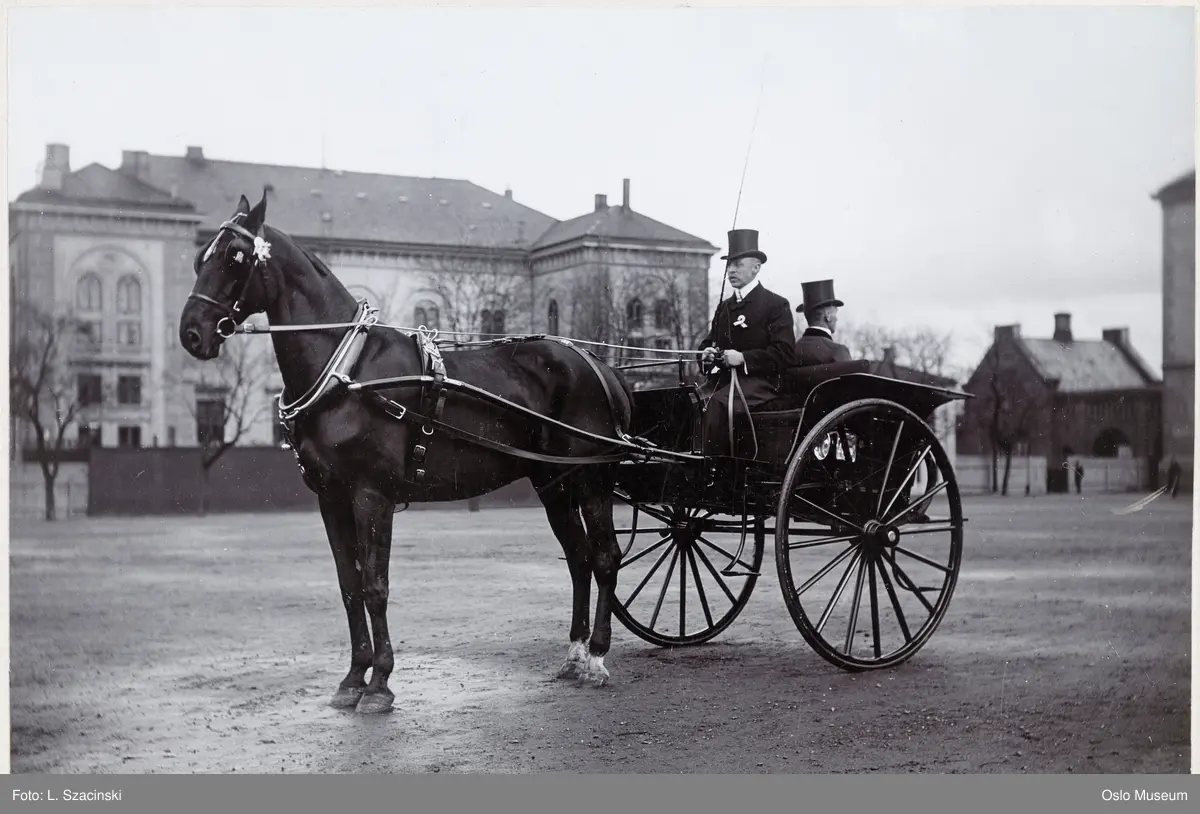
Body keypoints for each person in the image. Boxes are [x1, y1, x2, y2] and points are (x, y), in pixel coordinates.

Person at [697, 228, 796, 456]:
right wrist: (707, 355)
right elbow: (707, 343)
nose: (731, 270)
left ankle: (711, 473)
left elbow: (785, 353)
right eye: (729, 265)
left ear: (756, 268)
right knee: (687, 400)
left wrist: (743, 359)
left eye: (738, 264)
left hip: (761, 385)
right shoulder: (724, 307)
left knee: (716, 405)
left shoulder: (775, 305)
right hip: (723, 382)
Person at [794, 279, 852, 366]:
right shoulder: (838, 351)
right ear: (828, 316)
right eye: (835, 313)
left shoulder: (791, 351)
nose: (837, 319)